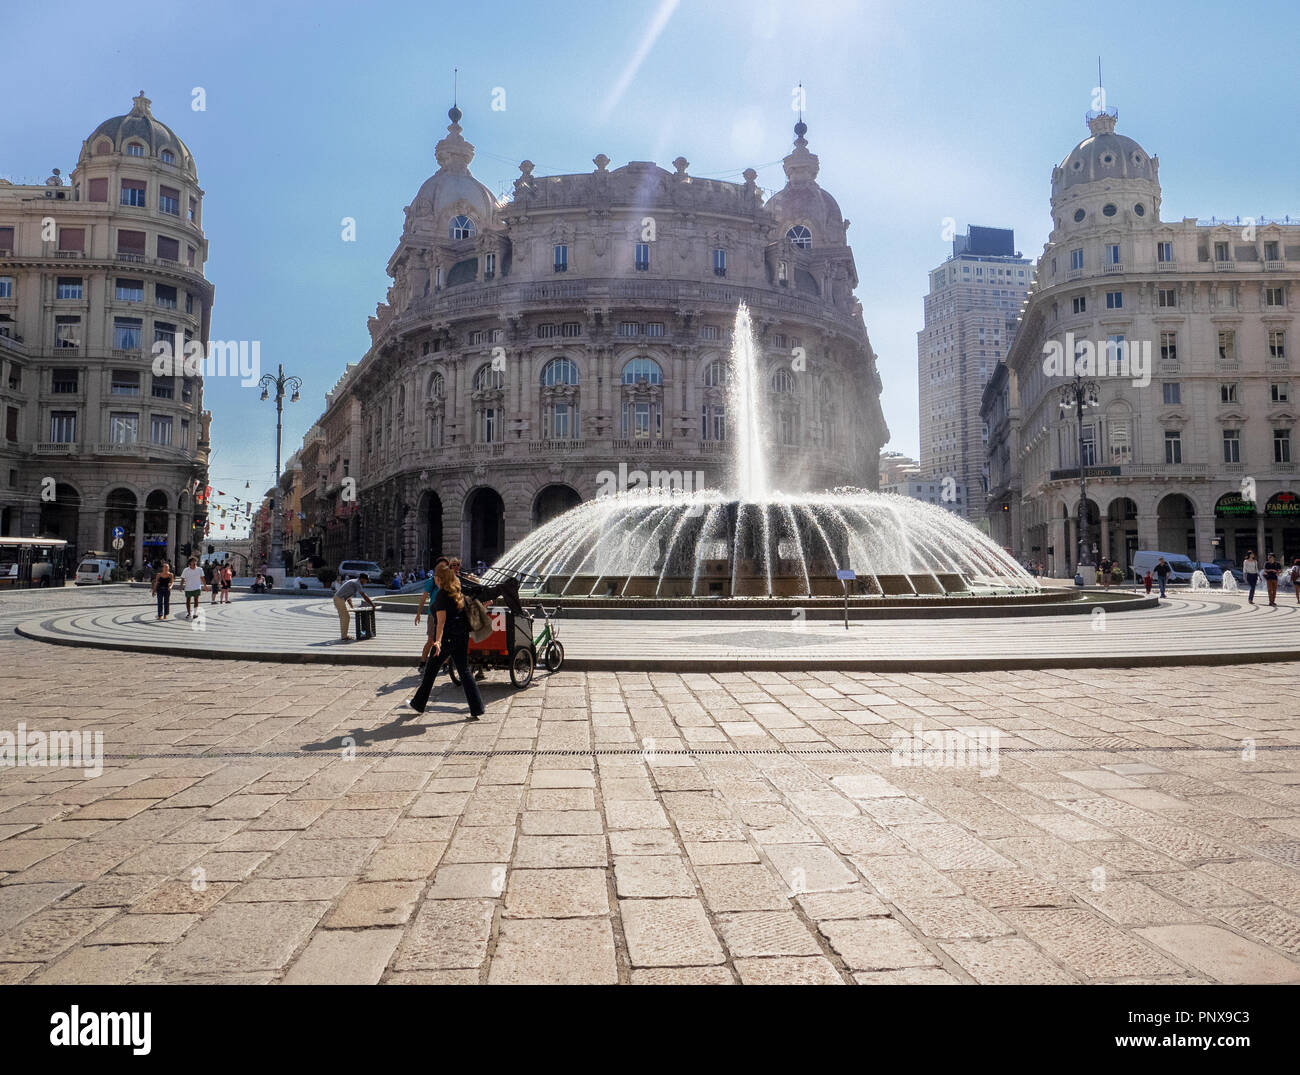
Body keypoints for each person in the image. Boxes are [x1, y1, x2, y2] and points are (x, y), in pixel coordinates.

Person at [406, 563, 484, 721]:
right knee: (464, 671)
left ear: (439, 578)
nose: (433, 578)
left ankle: (418, 704)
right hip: (461, 636)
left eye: (435, 576)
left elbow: (441, 622)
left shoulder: (442, 595)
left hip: (446, 639)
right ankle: (477, 708)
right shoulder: (456, 591)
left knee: (430, 671)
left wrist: (438, 642)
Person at [415, 556, 450, 672]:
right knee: (431, 640)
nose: (443, 568)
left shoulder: (449, 579)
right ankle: (422, 663)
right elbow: (424, 597)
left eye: (445, 566)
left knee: (444, 639)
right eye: (441, 566)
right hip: (433, 614)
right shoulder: (432, 581)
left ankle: (445, 664)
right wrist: (419, 612)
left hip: (445, 613)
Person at [332, 573, 375, 641]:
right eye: (366, 581)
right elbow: (363, 595)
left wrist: (351, 606)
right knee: (345, 617)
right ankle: (344, 636)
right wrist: (372, 604)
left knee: (345, 617)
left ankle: (344, 635)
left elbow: (348, 595)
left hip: (340, 599)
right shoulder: (357, 583)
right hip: (339, 599)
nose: (366, 582)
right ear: (362, 579)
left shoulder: (354, 582)